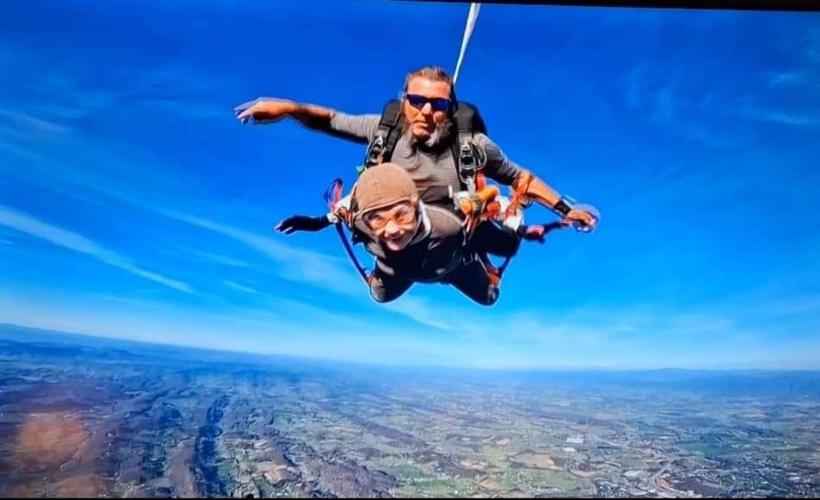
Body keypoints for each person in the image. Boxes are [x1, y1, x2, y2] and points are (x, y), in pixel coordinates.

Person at [234, 66, 598, 232]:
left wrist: (567, 210)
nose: (426, 111)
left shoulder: (473, 146)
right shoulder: (384, 131)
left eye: (438, 105)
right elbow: (331, 120)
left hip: (448, 228)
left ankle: (466, 258)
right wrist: (289, 108)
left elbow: (520, 178)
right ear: (404, 101)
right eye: (417, 101)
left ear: (450, 110)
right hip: (389, 232)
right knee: (383, 291)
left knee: (484, 288)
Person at [277, 162, 511, 306]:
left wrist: (503, 211)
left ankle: (479, 261)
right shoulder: (362, 205)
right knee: (380, 294)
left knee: (489, 297)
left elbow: (488, 205)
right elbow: (344, 212)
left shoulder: (439, 198)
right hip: (402, 267)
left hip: (454, 263)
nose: (391, 227)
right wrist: (316, 223)